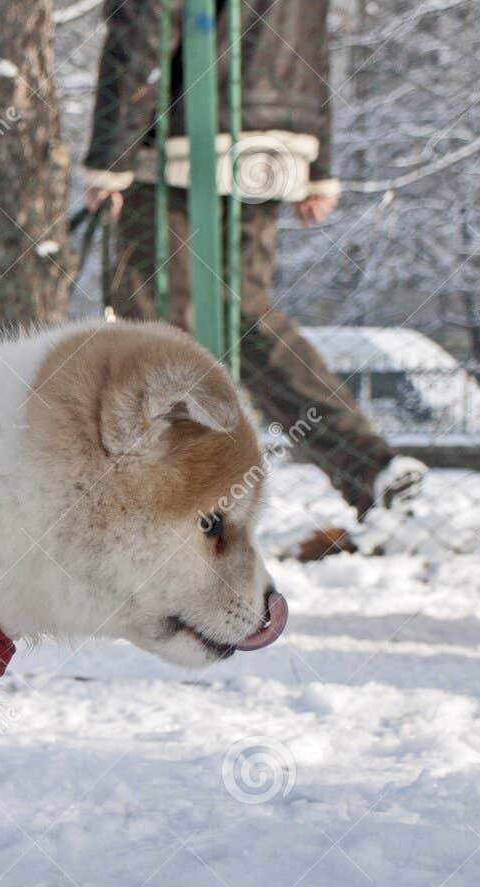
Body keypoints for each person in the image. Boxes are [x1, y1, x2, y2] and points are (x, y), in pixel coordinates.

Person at [82, 0, 423, 522]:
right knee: (243, 314)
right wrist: (316, 161)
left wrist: (110, 158)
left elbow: (143, 33)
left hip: (182, 141)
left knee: (150, 324)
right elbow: (312, 44)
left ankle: (168, 497)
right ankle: (368, 466)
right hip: (270, 147)